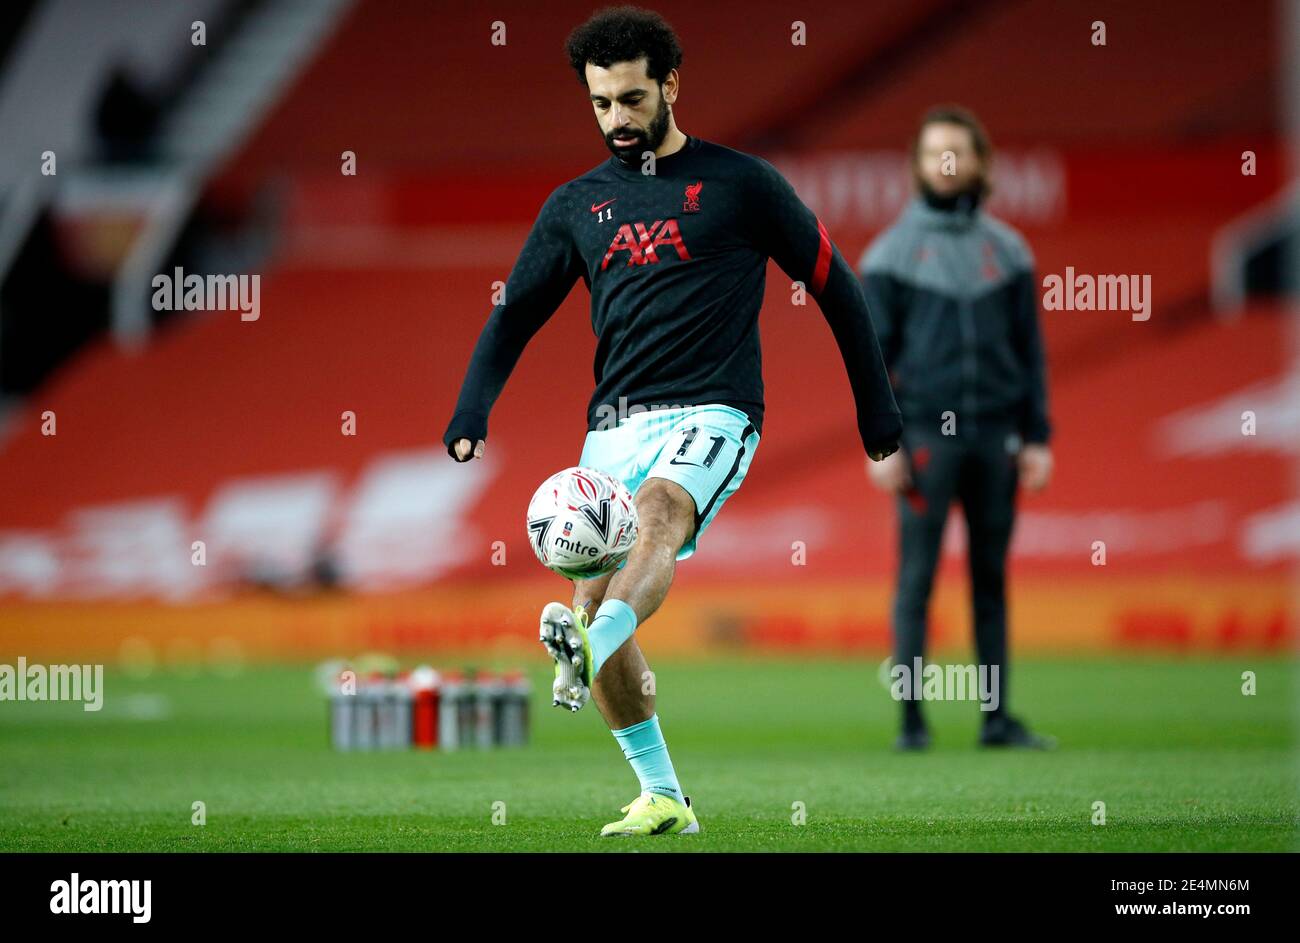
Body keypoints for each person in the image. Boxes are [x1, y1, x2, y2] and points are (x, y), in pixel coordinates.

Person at [444, 6, 900, 836]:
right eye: (600, 104)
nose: (617, 119)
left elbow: (835, 282)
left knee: (655, 516)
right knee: (593, 596)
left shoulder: (742, 185)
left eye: (630, 98)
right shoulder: (576, 205)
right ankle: (663, 795)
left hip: (714, 409)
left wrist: (876, 403)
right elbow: (514, 315)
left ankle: (588, 644)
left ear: (670, 85)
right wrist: (473, 407)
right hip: (612, 425)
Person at [860, 106, 1056, 751]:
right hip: (923, 438)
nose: (946, 163)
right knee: (916, 579)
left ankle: (996, 721)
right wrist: (881, 445)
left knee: (991, 579)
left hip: (996, 437)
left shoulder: (1010, 250)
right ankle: (911, 722)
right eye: (933, 153)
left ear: (979, 162)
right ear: (917, 166)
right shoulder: (890, 254)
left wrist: (1037, 438)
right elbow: (872, 361)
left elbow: (1031, 352)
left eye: (957, 152)